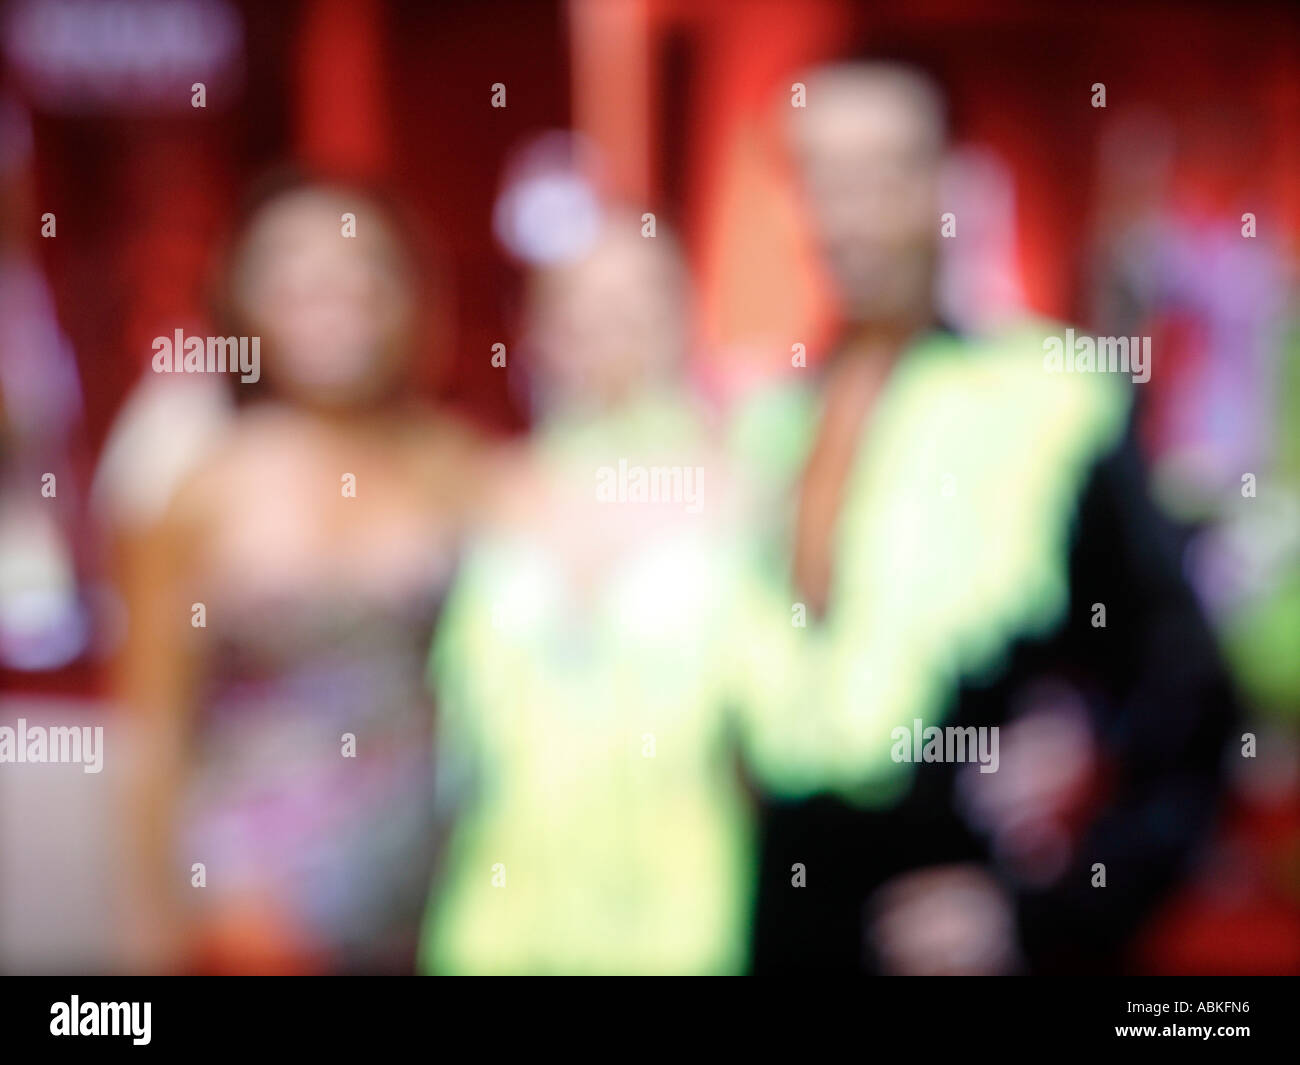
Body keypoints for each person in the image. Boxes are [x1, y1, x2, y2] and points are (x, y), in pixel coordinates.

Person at [733, 62, 1238, 973]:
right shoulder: (770, 419)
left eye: (885, 172)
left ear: (945, 186)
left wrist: (1050, 908)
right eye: (823, 176)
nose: (850, 212)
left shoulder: (1050, 401)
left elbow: (1187, 699)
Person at [116, 175, 482, 973]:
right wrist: (150, 947)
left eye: (358, 263)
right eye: (291, 267)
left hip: (440, 903)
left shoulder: (456, 468)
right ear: (243, 300)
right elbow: (157, 739)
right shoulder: (199, 489)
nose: (329, 290)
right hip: (255, 918)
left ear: (404, 292)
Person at [419, 217, 761, 974]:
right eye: (583, 308)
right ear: (541, 330)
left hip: (680, 891)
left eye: (637, 305)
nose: (611, 331)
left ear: (684, 320)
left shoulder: (742, 488)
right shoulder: (493, 487)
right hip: (502, 883)